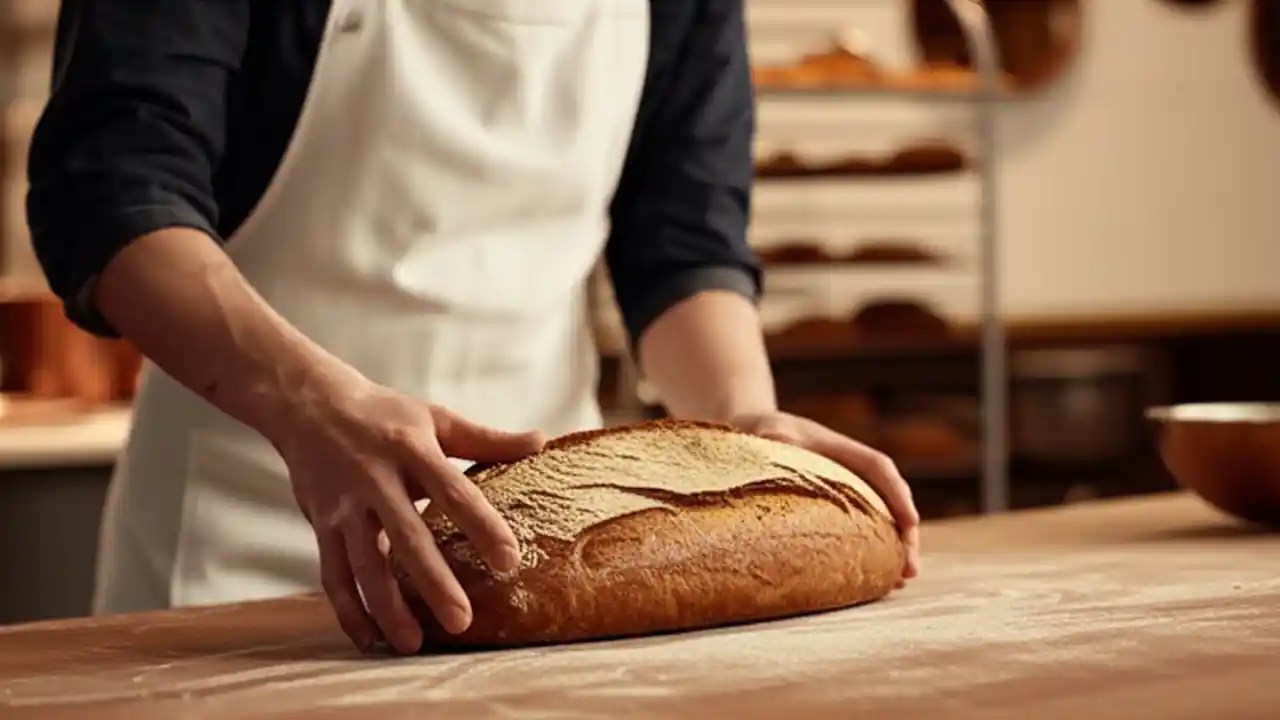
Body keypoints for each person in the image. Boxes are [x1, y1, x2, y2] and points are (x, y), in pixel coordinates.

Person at [27, 0, 920, 655]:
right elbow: (110, 198)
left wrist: (740, 426)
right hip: (235, 556)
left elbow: (683, 246)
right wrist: (308, 404)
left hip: (549, 562)